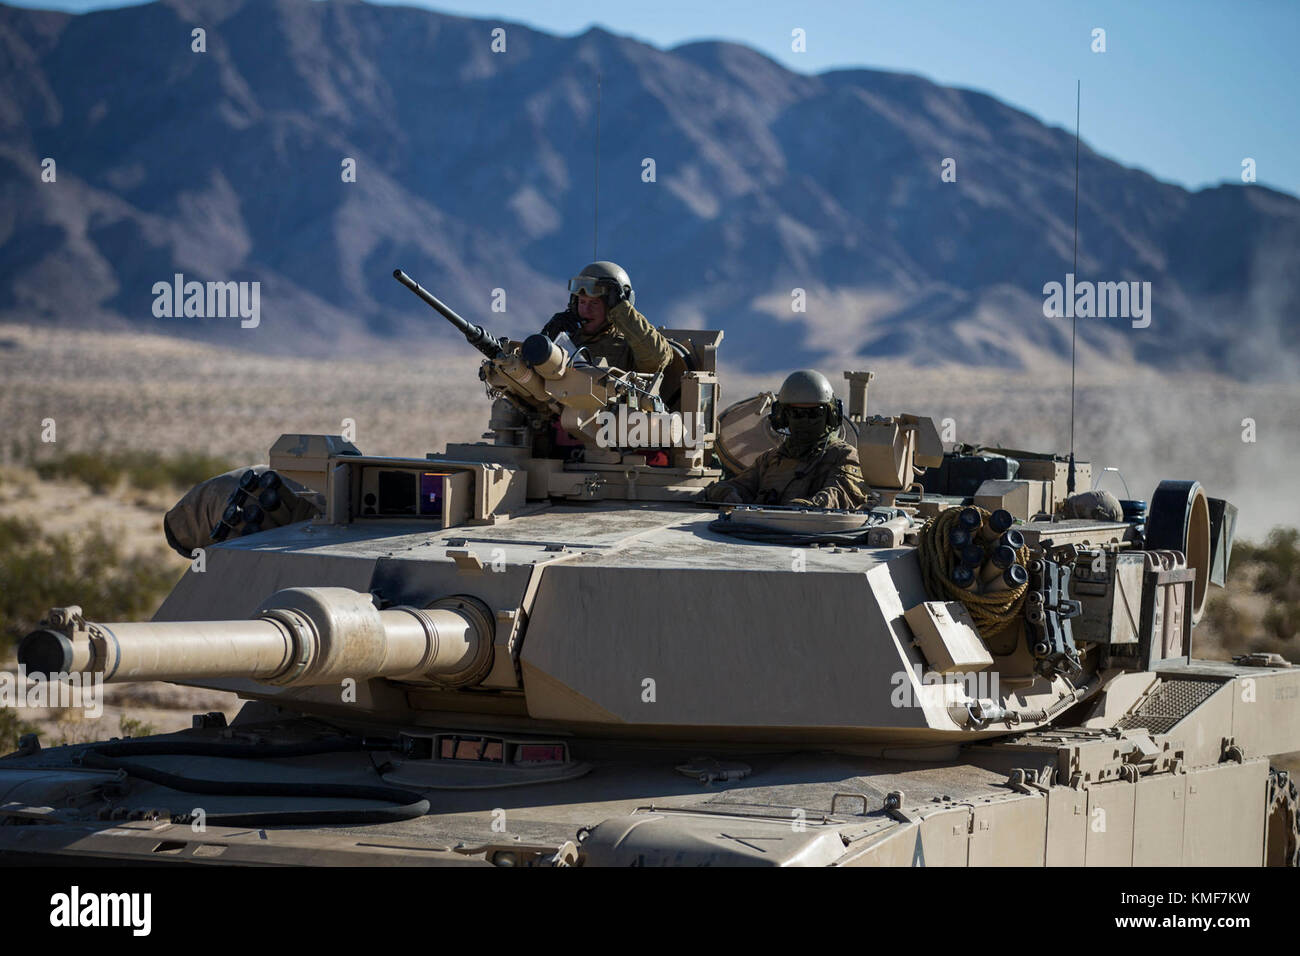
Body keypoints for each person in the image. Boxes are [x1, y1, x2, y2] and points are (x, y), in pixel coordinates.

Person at [702, 370, 869, 510]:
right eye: (796, 413)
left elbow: (840, 495)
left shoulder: (844, 456)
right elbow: (738, 486)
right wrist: (728, 494)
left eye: (813, 413)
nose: (804, 420)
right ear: (782, 417)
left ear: (830, 416)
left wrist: (805, 508)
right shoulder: (770, 459)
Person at [541, 261, 672, 377]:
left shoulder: (631, 345)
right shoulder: (566, 342)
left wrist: (622, 310)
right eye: (582, 302)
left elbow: (657, 359)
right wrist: (546, 340)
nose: (586, 310)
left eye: (594, 303)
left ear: (612, 306)